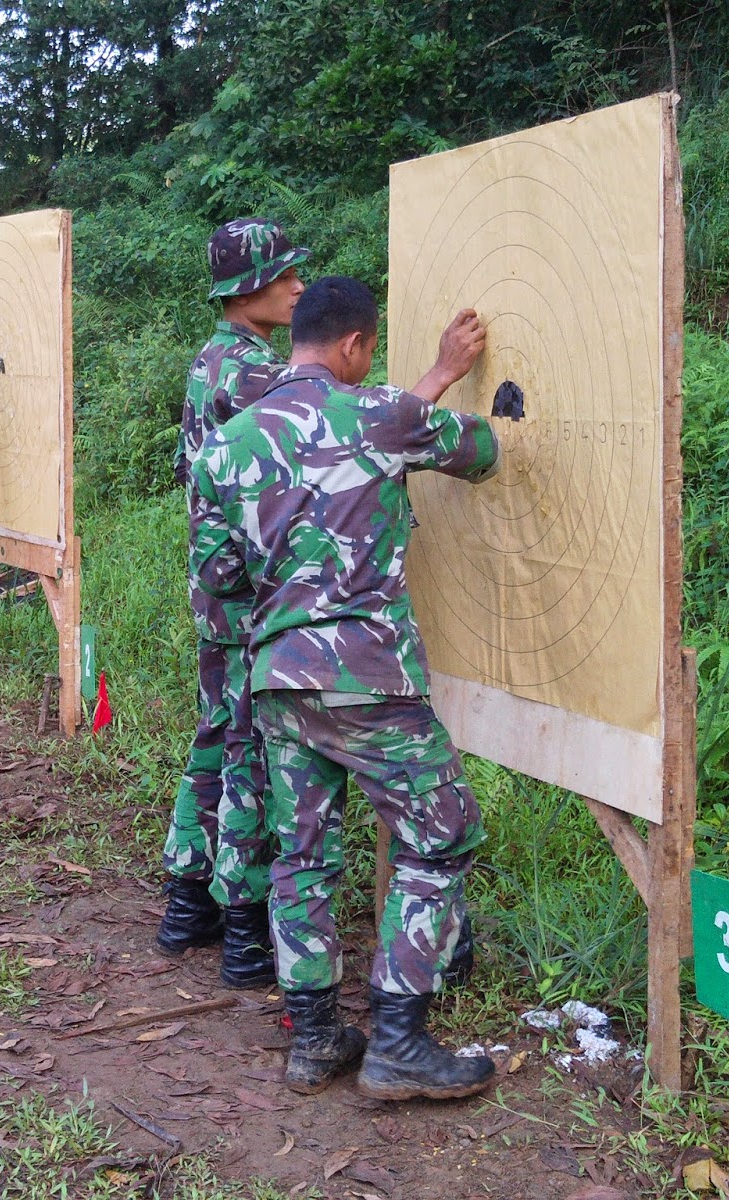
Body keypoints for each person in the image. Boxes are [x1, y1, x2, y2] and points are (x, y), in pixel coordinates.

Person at [191, 276, 501, 1100]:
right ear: (357, 346)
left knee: (301, 857)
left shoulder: (227, 445)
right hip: (367, 674)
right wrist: (443, 385)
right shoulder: (379, 415)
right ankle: (400, 1040)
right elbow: (481, 451)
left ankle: (317, 1039)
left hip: (276, 680)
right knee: (440, 836)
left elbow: (218, 574)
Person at [157, 217, 308, 992]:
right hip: (247, 592)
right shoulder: (251, 372)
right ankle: (242, 925)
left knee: (217, 732)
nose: (298, 288)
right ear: (247, 290)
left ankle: (188, 899)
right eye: (285, 277)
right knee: (249, 749)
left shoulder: (215, 358)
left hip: (218, 586)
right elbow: (340, 418)